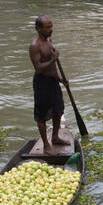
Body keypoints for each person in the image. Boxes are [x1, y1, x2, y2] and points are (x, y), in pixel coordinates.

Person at [29, 16, 72, 150]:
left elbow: (52, 69)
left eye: (51, 26)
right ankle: (46, 145)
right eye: (47, 27)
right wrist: (54, 59)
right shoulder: (35, 46)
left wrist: (61, 79)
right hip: (42, 82)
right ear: (38, 28)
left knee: (58, 110)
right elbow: (39, 67)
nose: (50, 30)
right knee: (41, 115)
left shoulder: (49, 41)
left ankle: (55, 137)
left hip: (53, 81)